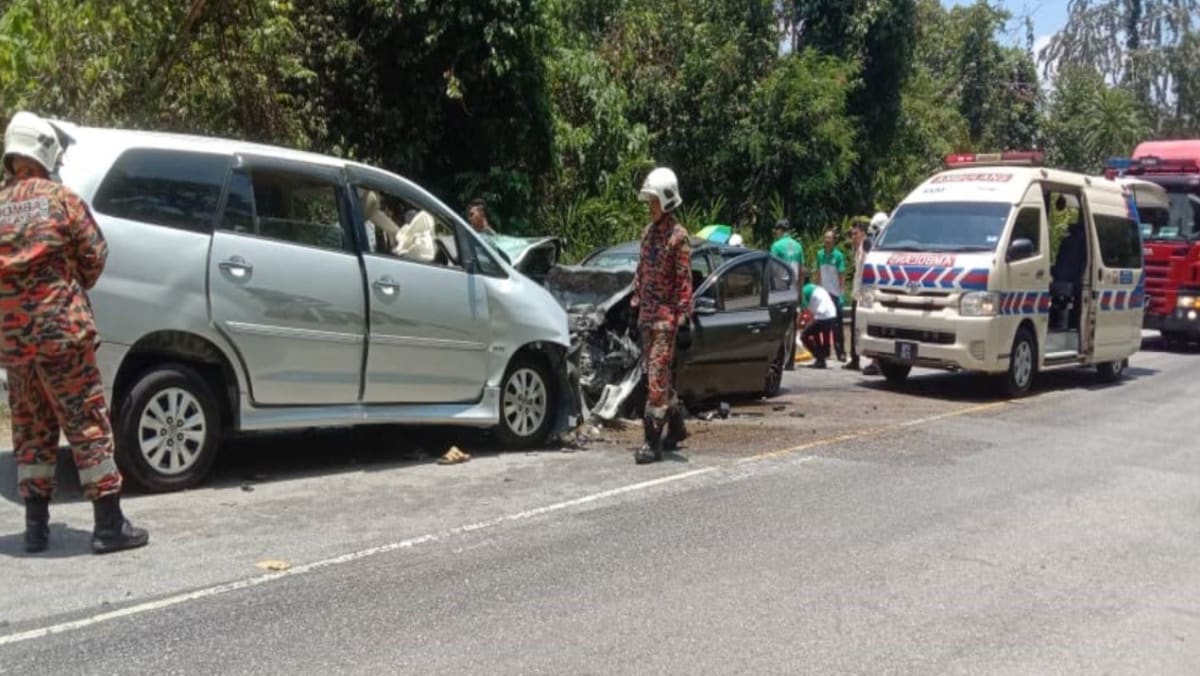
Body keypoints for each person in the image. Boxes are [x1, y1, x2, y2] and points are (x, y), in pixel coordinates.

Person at [0, 111, 148, 554]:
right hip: (63, 335)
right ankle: (108, 526)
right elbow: (94, 257)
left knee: (30, 429)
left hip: (14, 344)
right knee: (86, 424)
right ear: (45, 153)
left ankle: (35, 530)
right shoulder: (61, 200)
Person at [630, 167, 692, 464]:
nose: (650, 207)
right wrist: (635, 302)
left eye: (654, 201)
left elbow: (684, 281)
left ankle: (651, 443)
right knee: (657, 378)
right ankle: (677, 426)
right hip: (647, 318)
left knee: (656, 379)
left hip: (666, 322)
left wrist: (684, 318)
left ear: (667, 201)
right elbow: (640, 273)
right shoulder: (647, 234)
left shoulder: (679, 238)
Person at [815, 229, 848, 362]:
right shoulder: (820, 255)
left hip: (834, 295)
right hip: (824, 295)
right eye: (825, 238)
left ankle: (841, 353)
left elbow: (841, 276)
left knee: (837, 325)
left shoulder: (838, 256)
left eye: (829, 238)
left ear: (834, 240)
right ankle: (825, 352)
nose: (827, 241)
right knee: (823, 325)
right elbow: (818, 273)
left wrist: (841, 294)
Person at [845, 218, 870, 371]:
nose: (852, 237)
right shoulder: (857, 249)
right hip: (857, 294)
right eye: (851, 234)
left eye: (855, 233)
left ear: (862, 234)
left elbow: (865, 273)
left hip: (863, 295)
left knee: (860, 327)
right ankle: (854, 359)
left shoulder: (865, 249)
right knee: (854, 328)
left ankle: (859, 358)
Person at [800, 282, 839, 369]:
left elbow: (804, 311)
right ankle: (821, 359)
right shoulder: (817, 288)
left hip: (822, 315)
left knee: (804, 335)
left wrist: (799, 324)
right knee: (815, 333)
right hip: (832, 314)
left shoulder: (803, 292)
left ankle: (820, 358)